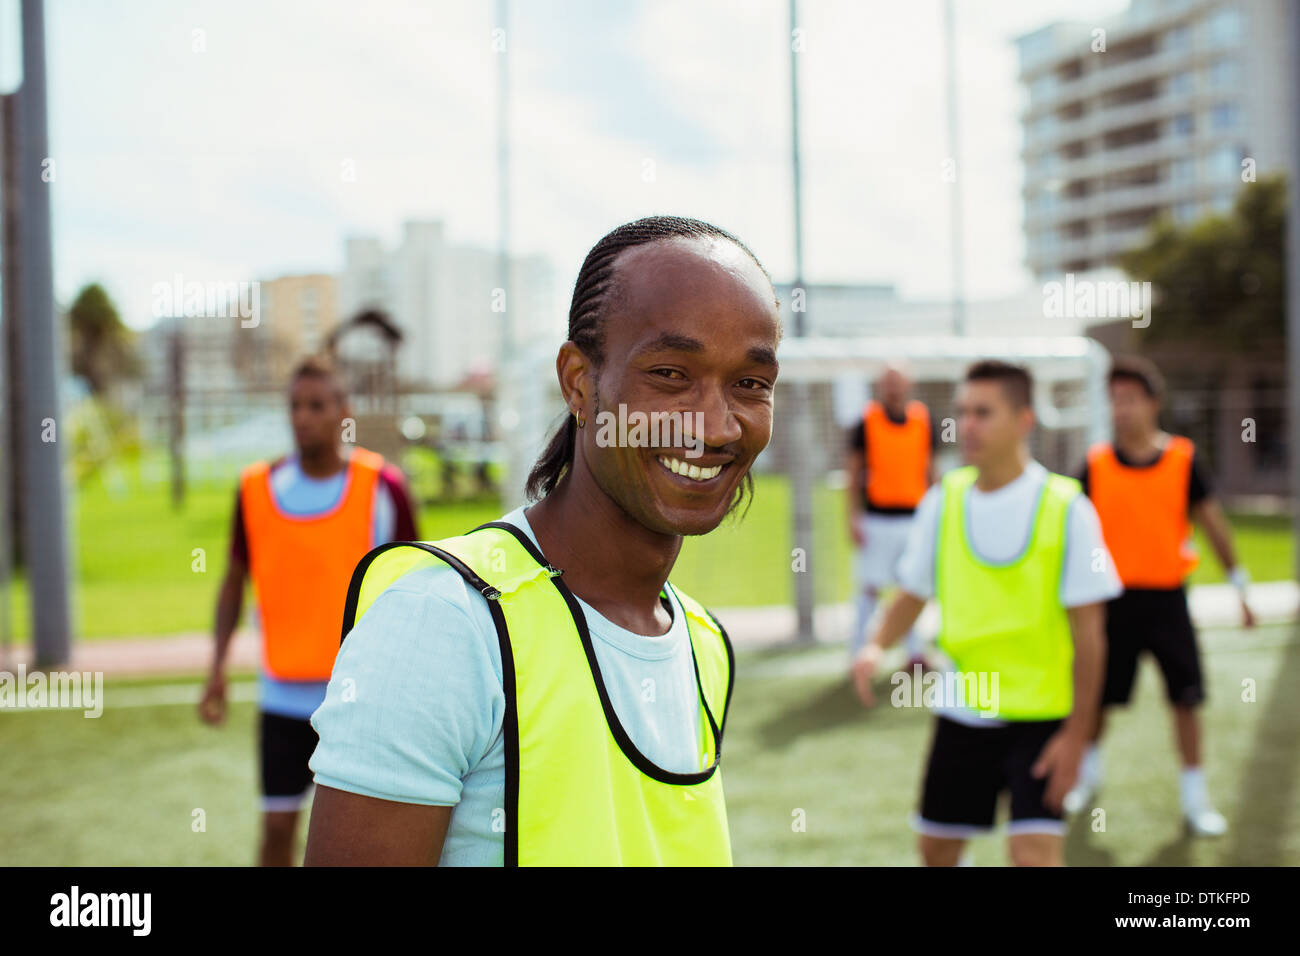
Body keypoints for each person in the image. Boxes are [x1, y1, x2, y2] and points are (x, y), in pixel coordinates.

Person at [303, 215, 782, 866]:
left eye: (750, 383)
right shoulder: (446, 624)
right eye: (671, 374)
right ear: (580, 382)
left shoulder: (704, 645)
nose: (717, 425)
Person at [853, 360, 1121, 867]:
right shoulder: (944, 500)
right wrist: (874, 645)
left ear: (1024, 419)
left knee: (1034, 857)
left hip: (1042, 716)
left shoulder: (1067, 507)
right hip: (962, 709)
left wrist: (1078, 737)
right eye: (962, 412)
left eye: (983, 413)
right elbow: (912, 592)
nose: (966, 426)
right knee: (937, 853)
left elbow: (1091, 637)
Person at [198, 355, 419, 866]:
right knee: (276, 831)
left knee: (352, 845)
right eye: (295, 406)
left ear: (344, 411)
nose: (303, 417)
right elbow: (234, 581)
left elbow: (416, 590)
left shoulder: (384, 488)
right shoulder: (255, 487)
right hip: (281, 698)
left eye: (316, 405)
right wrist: (215, 669)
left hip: (358, 701)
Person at [1064, 355, 1256, 836]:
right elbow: (1066, 532)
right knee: (1097, 699)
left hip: (1169, 601)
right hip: (1111, 603)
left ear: (1153, 403)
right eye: (1115, 401)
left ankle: (1195, 799)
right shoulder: (1094, 464)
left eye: (1130, 400)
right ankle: (1086, 777)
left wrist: (1240, 587)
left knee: (1186, 698)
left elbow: (1213, 525)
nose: (1121, 410)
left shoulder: (1183, 459)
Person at [845, 363, 937, 669]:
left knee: (912, 586)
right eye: (888, 383)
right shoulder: (866, 421)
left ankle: (915, 654)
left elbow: (930, 471)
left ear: (908, 384)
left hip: (914, 519)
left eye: (898, 382)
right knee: (869, 588)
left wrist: (936, 515)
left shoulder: (922, 420)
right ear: (881, 386)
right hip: (877, 520)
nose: (893, 388)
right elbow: (853, 474)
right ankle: (859, 652)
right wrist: (852, 518)